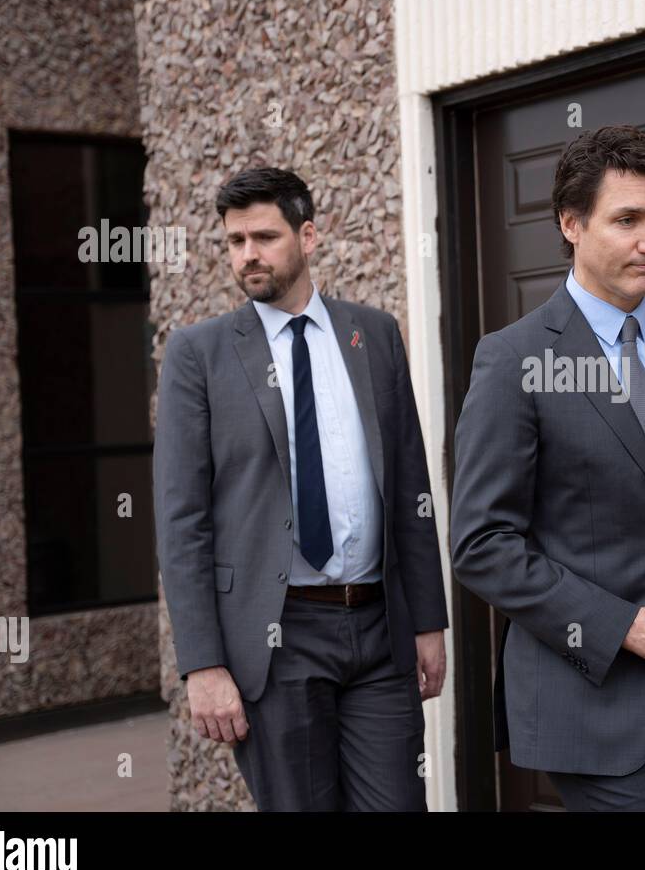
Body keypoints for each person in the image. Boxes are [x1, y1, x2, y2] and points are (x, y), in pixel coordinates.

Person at [450, 125, 645, 811]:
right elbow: (481, 546)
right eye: (627, 220)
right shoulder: (513, 359)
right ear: (571, 223)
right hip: (588, 702)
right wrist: (624, 625)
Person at [153, 167, 448, 810]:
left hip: (378, 629)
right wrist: (202, 664)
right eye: (234, 241)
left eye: (264, 236)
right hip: (274, 639)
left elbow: (409, 489)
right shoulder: (198, 355)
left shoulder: (373, 335)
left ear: (308, 236)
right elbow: (182, 521)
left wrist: (428, 620)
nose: (248, 254)